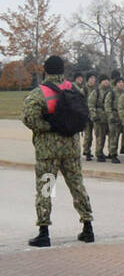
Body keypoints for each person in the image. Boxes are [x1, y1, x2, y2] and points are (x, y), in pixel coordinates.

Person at [23, 56, 94, 247]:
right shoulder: (74, 89)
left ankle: (44, 232)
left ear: (46, 71)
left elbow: (29, 119)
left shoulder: (39, 94)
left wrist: (50, 126)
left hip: (49, 151)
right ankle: (88, 227)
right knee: (77, 185)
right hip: (71, 148)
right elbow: (82, 115)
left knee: (46, 189)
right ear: (63, 71)